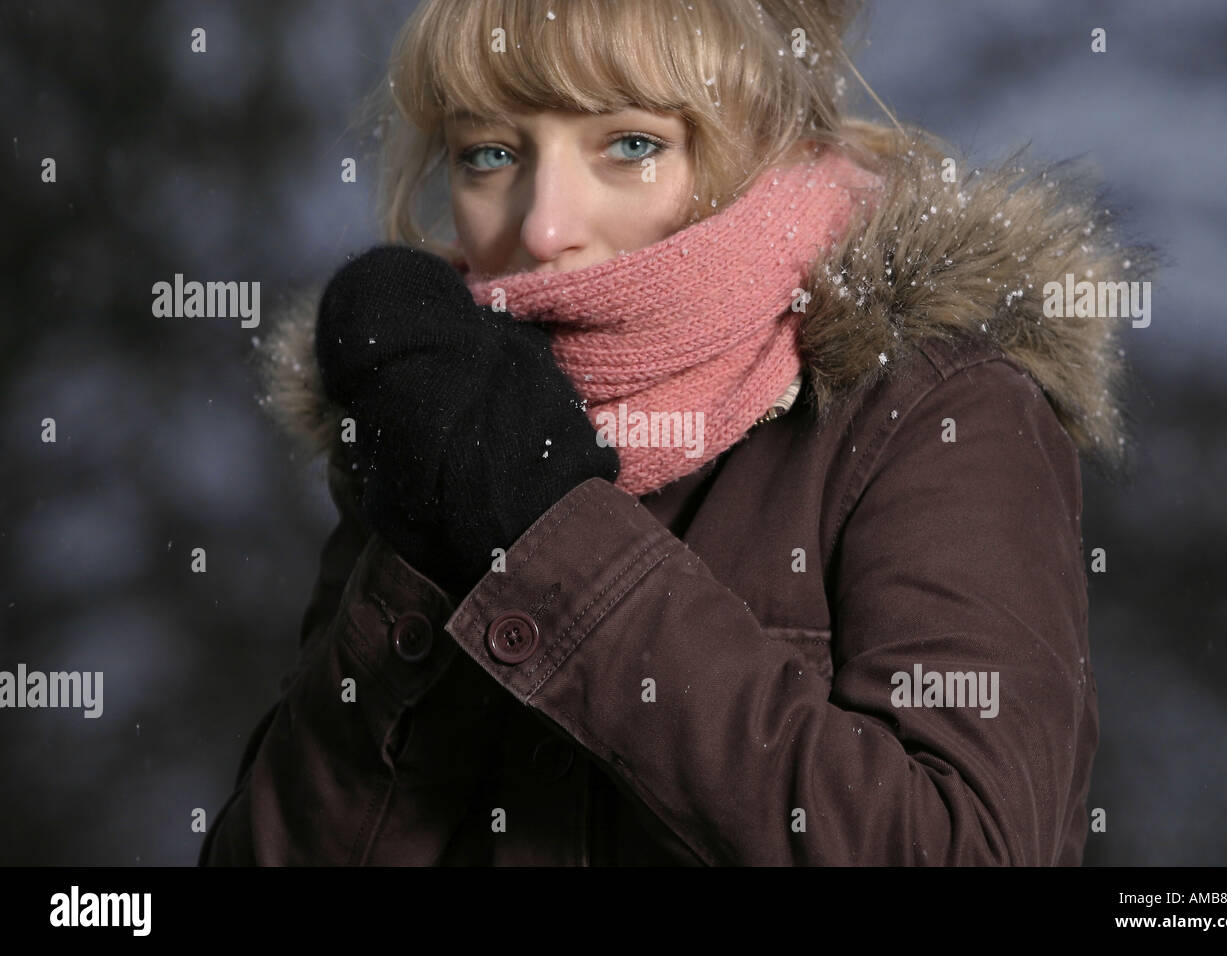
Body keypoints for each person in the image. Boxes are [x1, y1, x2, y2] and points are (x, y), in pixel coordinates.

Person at [201, 0, 1155, 865]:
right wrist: (425, 551)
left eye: (629, 145)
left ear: (763, 144)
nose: (544, 229)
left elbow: (970, 851)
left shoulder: (934, 411)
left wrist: (554, 541)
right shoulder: (428, 423)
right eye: (490, 153)